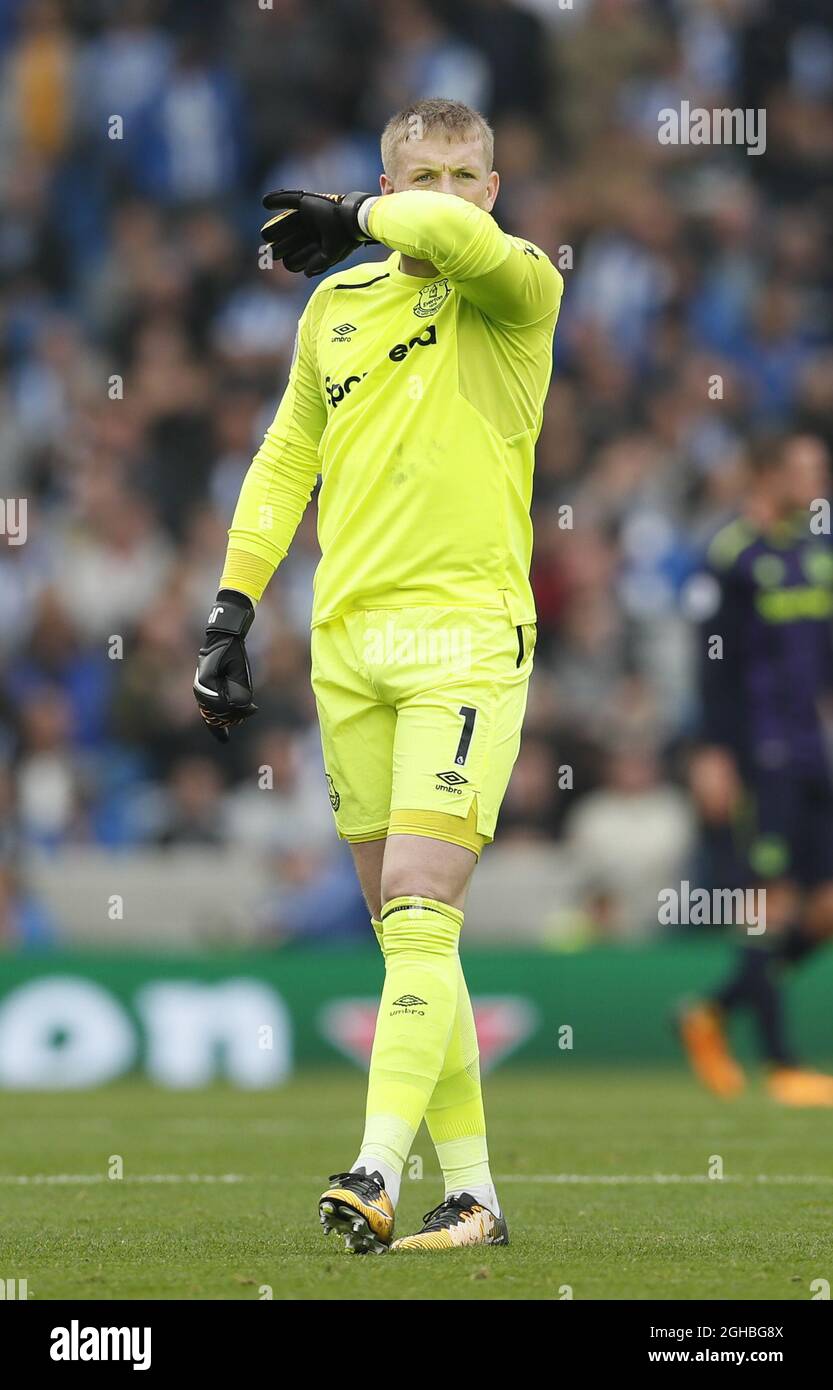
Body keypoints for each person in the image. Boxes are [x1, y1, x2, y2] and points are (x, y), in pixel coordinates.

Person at [193, 97, 562, 1251]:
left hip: (464, 630)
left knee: (416, 900)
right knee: (410, 936)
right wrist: (232, 604)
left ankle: (370, 1166)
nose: (445, 196)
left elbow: (446, 244)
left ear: (492, 192)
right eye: (421, 175)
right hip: (349, 648)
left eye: (463, 176)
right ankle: (476, 1196)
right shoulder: (335, 306)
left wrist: (365, 210)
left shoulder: (518, 286)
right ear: (389, 176)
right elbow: (284, 455)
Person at [679, 433, 833, 1107]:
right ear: (769, 475)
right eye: (807, 469)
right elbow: (710, 664)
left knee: (823, 907)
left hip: (812, 751)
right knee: (767, 905)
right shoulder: (729, 556)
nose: (818, 480)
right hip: (758, 752)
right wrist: (712, 752)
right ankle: (780, 1065)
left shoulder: (814, 555)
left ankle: (710, 1010)